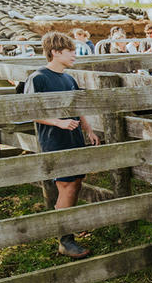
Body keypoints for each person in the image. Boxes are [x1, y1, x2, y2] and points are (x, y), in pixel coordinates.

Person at [24, 31, 101, 258]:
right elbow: (30, 111)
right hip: (54, 140)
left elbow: (77, 107)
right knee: (66, 185)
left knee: (76, 182)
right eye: (70, 51)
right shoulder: (38, 78)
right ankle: (65, 240)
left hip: (74, 137)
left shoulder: (69, 79)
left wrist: (89, 129)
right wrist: (58, 122)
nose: (74, 55)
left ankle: (67, 225)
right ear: (55, 52)